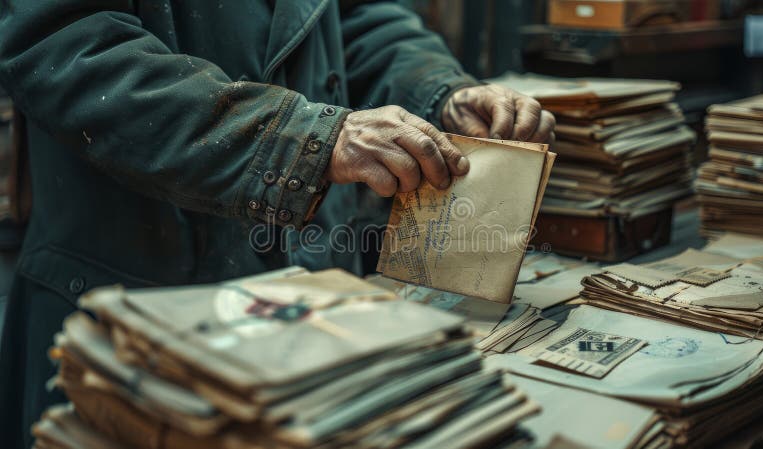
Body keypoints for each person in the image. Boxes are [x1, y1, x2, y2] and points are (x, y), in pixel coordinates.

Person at [0, 1, 555, 447]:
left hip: (313, 281)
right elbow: (69, 45)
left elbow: (363, 17)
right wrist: (301, 138)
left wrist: (439, 92)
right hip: (138, 290)